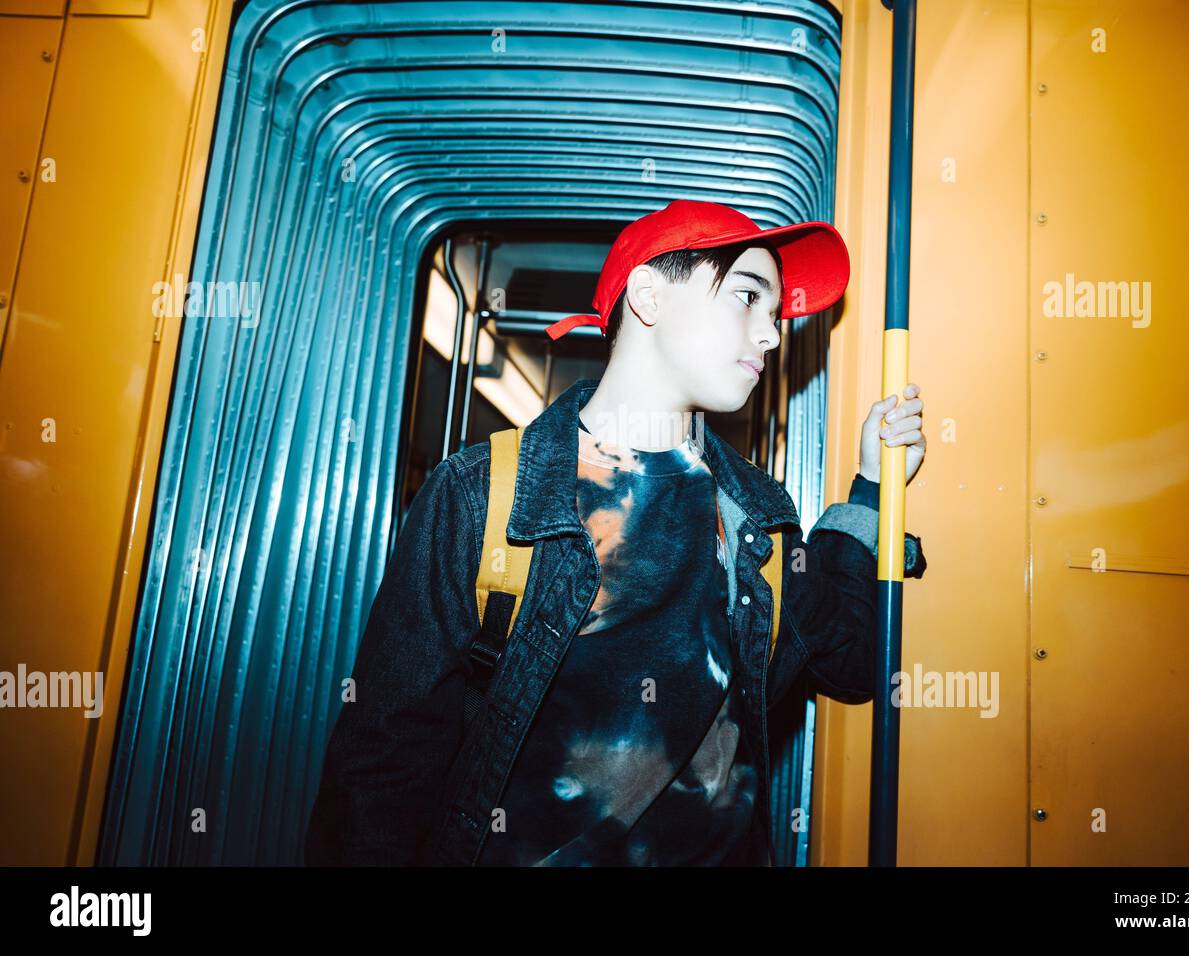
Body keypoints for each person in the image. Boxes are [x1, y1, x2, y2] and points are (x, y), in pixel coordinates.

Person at [304, 199, 928, 867]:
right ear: (649, 295)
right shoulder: (483, 494)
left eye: (774, 313)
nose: (772, 334)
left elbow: (852, 661)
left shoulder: (757, 515)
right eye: (748, 296)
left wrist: (871, 487)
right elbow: (382, 767)